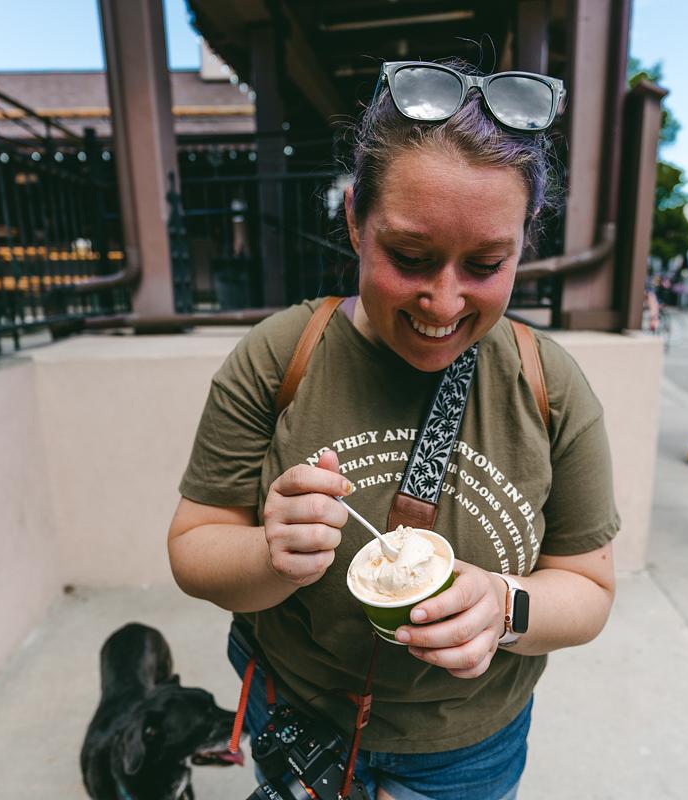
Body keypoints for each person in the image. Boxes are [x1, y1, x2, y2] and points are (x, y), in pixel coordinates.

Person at [169, 59, 620, 799]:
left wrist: (506, 606)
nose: (442, 302)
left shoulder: (550, 386)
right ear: (354, 221)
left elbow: (588, 588)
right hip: (296, 718)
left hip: (464, 752)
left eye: (485, 264)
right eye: (409, 257)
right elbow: (194, 547)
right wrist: (268, 552)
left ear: (523, 244)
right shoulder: (283, 355)